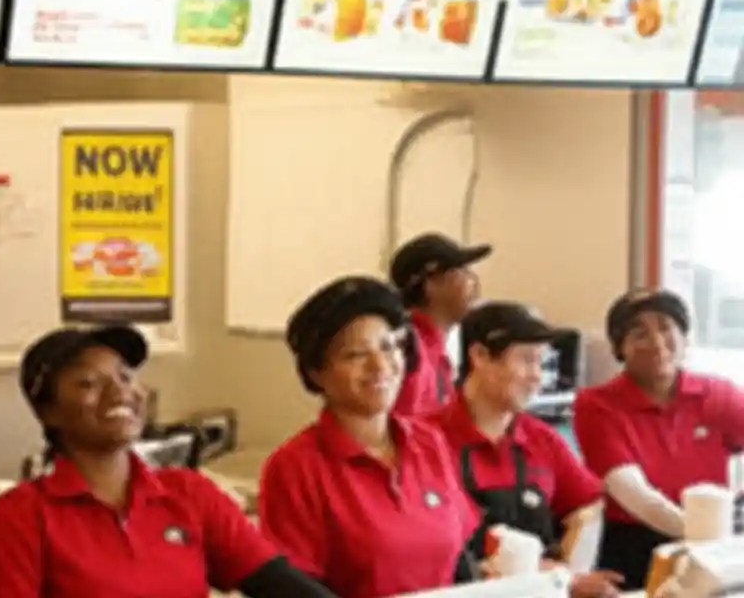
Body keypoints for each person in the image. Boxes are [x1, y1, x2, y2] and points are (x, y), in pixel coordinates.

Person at [0, 325, 336, 598]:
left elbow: (281, 585)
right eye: (88, 383)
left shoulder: (188, 493)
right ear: (49, 412)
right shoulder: (19, 518)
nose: (119, 392)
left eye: (126, 376)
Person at [259, 276, 481, 598]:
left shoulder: (429, 443)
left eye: (389, 346)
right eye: (355, 355)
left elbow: (460, 556)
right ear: (316, 373)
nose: (380, 366)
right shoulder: (295, 468)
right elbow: (292, 590)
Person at [430, 301, 622, 598]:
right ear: (480, 356)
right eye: (526, 360)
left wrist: (572, 572)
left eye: (541, 363)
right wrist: (555, 575)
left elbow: (588, 506)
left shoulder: (543, 440)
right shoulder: (424, 441)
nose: (537, 377)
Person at [573, 288, 744, 590]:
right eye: (639, 333)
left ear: (685, 337)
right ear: (619, 348)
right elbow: (633, 493)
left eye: (666, 327)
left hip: (712, 540)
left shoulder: (716, 393)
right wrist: (706, 539)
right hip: (637, 546)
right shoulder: (596, 405)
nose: (657, 343)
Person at [389, 232, 491, 416]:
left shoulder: (433, 348)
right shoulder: (410, 351)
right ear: (431, 283)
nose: (474, 283)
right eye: (463, 272)